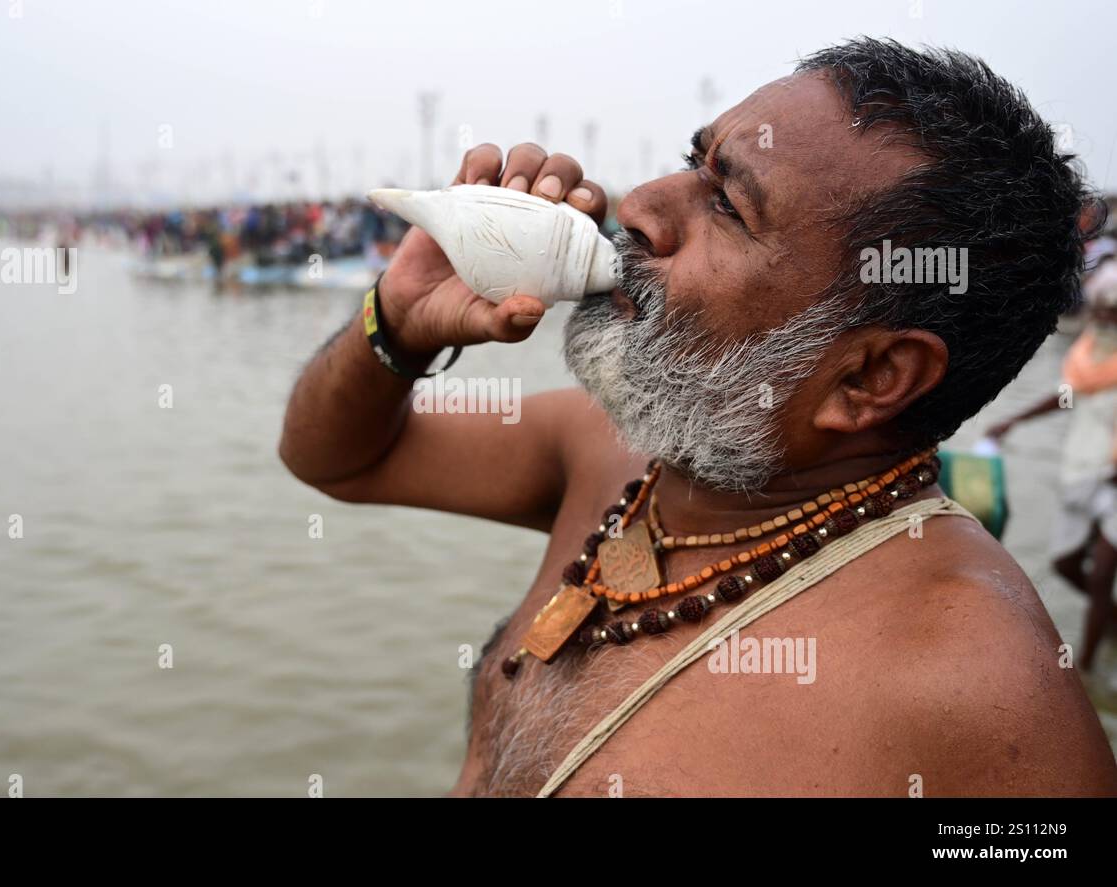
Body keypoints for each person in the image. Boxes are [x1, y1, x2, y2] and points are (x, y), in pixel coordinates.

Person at [279, 38, 1117, 796]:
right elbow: (339, 460)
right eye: (696, 160)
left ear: (869, 377)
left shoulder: (984, 689)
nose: (639, 205)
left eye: (728, 205)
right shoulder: (610, 452)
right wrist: (396, 324)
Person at [990, 250, 1117, 672]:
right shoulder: (1089, 354)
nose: (1102, 317)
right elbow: (1066, 396)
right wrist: (1013, 421)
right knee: (1065, 565)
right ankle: (1111, 626)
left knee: (1100, 575)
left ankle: (1087, 670)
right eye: (1099, 309)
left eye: (1112, 312)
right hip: (1084, 469)